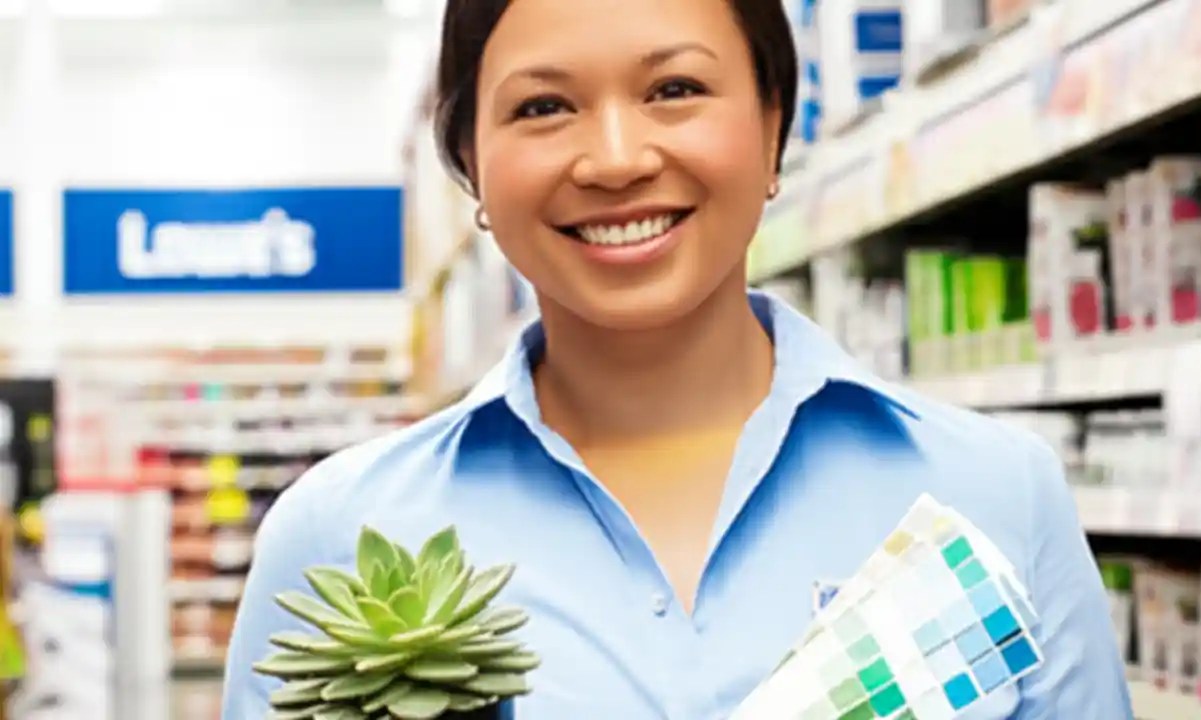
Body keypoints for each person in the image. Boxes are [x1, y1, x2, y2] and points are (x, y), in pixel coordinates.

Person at [222, 0, 1133, 717]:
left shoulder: (997, 495)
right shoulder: (336, 538)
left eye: (675, 89)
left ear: (774, 125)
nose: (616, 160)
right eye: (544, 107)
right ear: (471, 164)